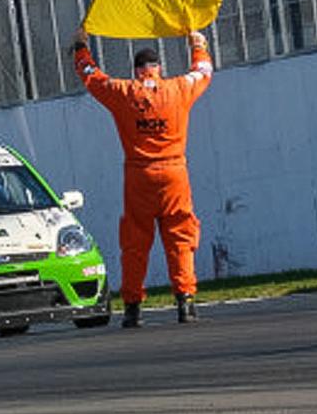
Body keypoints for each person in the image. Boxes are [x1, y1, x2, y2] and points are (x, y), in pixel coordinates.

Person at [73, 27, 215, 326]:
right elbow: (203, 71)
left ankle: (133, 308)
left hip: (139, 175)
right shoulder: (178, 88)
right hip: (175, 173)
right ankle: (185, 303)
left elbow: (91, 76)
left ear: (137, 71)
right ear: (158, 69)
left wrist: (80, 47)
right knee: (181, 236)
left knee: (135, 241)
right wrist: (198, 44)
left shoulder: (122, 91)